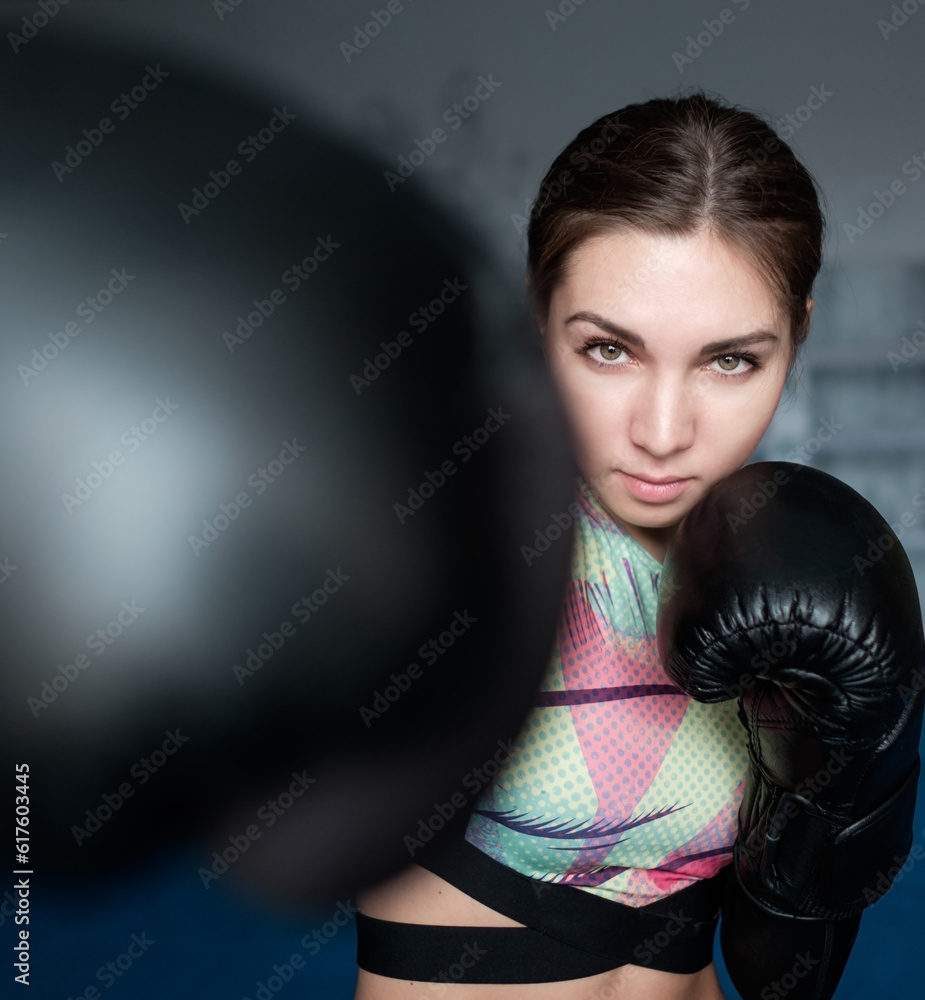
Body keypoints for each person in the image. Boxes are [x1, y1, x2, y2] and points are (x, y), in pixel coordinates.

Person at [353, 90, 825, 998]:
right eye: (610, 349)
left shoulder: (786, 576)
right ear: (536, 316)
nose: (660, 429)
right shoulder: (459, 544)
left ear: (793, 339)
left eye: (730, 360)